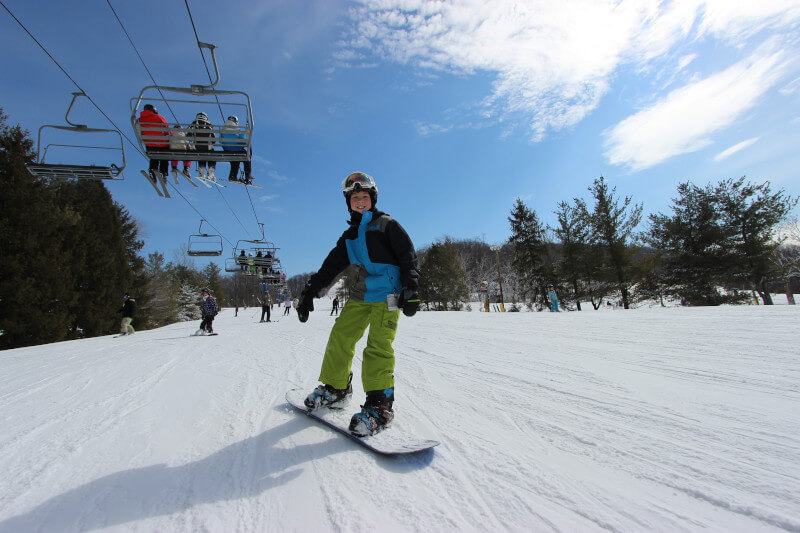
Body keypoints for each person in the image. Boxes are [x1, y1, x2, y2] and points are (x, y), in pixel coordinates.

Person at [296, 171, 420, 437]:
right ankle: (336, 388)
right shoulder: (350, 236)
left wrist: (411, 287)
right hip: (363, 293)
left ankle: (380, 406)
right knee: (341, 335)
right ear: (348, 202)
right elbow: (330, 267)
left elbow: (407, 255)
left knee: (378, 345)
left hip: (389, 293)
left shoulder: (386, 224)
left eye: (364, 197)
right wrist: (310, 292)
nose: (360, 201)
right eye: (355, 198)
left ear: (372, 199)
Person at [137, 104, 169, 181]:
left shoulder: (139, 120)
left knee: (153, 155)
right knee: (164, 156)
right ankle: (163, 172)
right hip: (162, 144)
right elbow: (166, 130)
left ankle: (152, 170)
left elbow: (138, 132)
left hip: (149, 145)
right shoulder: (159, 118)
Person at [220, 115, 254, 184]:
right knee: (247, 157)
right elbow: (244, 140)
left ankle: (232, 176)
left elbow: (220, 140)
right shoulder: (238, 129)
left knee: (235, 161)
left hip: (227, 150)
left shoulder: (223, 129)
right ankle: (248, 176)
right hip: (236, 149)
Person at [190, 112, 217, 180]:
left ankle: (202, 170)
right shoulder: (209, 125)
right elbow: (214, 139)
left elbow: (188, 135)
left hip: (197, 147)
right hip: (207, 147)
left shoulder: (193, 124)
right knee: (212, 155)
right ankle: (211, 170)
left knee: (201, 155)